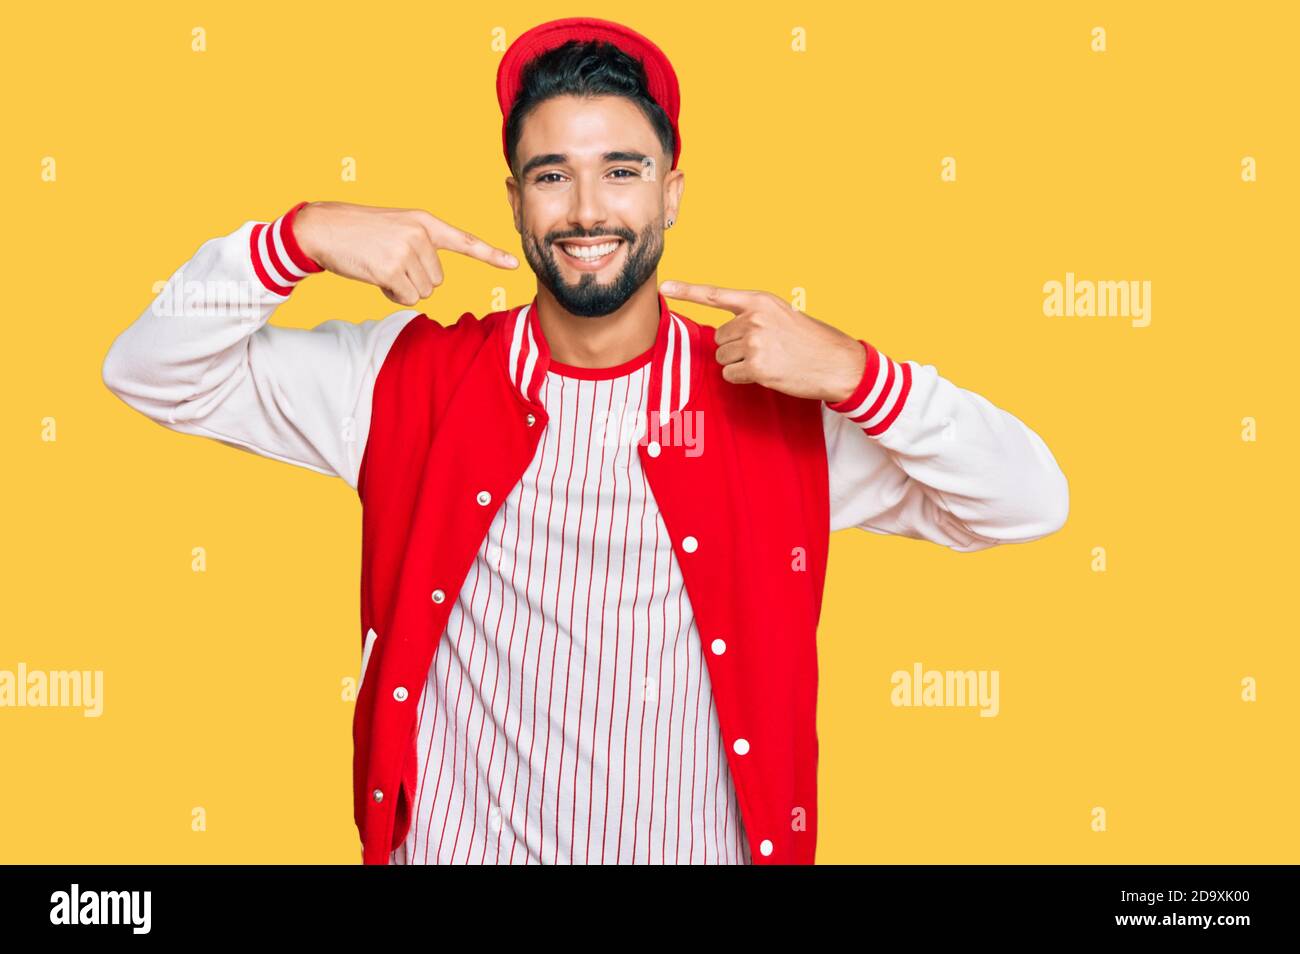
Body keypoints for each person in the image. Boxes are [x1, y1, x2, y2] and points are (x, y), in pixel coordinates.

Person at [101, 17, 1069, 865]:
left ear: (672, 193)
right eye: (551, 175)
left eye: (621, 170)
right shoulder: (401, 380)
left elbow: (1027, 501)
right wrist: (297, 238)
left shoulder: (777, 406)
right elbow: (149, 369)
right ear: (515, 199)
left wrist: (860, 374)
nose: (586, 211)